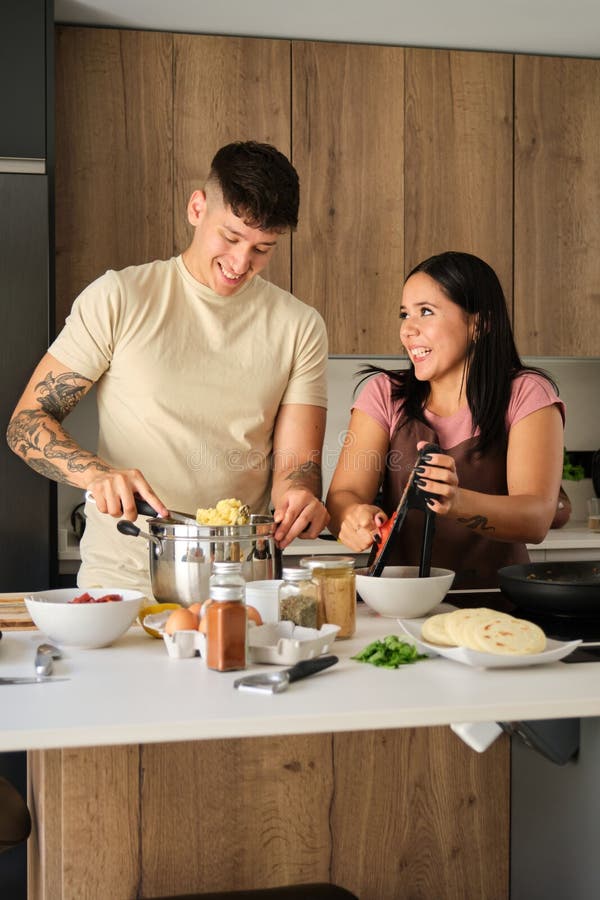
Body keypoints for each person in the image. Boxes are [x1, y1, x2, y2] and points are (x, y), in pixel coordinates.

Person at [7, 141, 329, 596]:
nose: (241, 263)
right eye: (230, 238)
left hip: (239, 582)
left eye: (263, 248)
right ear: (197, 208)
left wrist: (299, 496)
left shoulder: (299, 326)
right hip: (124, 578)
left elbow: (297, 465)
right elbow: (26, 423)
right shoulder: (120, 297)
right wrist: (97, 475)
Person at [326, 251, 565, 589]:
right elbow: (343, 495)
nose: (407, 329)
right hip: (396, 602)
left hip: (494, 601)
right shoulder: (383, 394)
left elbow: (536, 519)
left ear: (480, 323)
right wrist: (352, 515)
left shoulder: (527, 394)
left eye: (426, 311)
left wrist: (457, 502)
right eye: (404, 314)